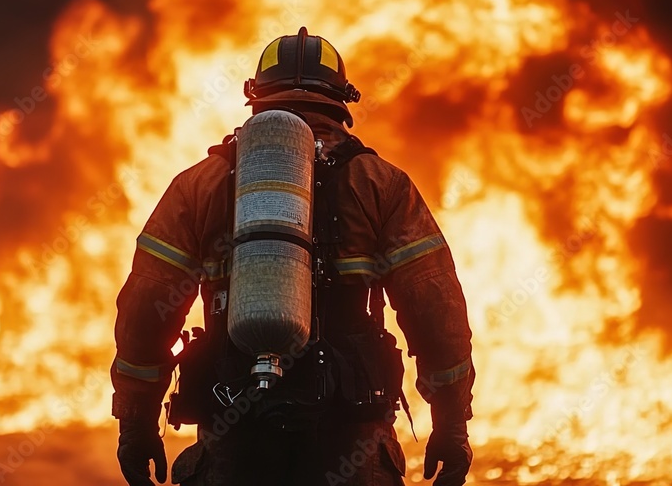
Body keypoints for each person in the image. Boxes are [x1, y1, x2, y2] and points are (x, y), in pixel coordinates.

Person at [111, 27, 474, 486]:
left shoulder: (200, 185)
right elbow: (435, 308)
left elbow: (146, 311)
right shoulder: (380, 184)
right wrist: (451, 423)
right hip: (351, 443)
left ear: (257, 95)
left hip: (234, 437)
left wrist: (137, 423)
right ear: (341, 99)